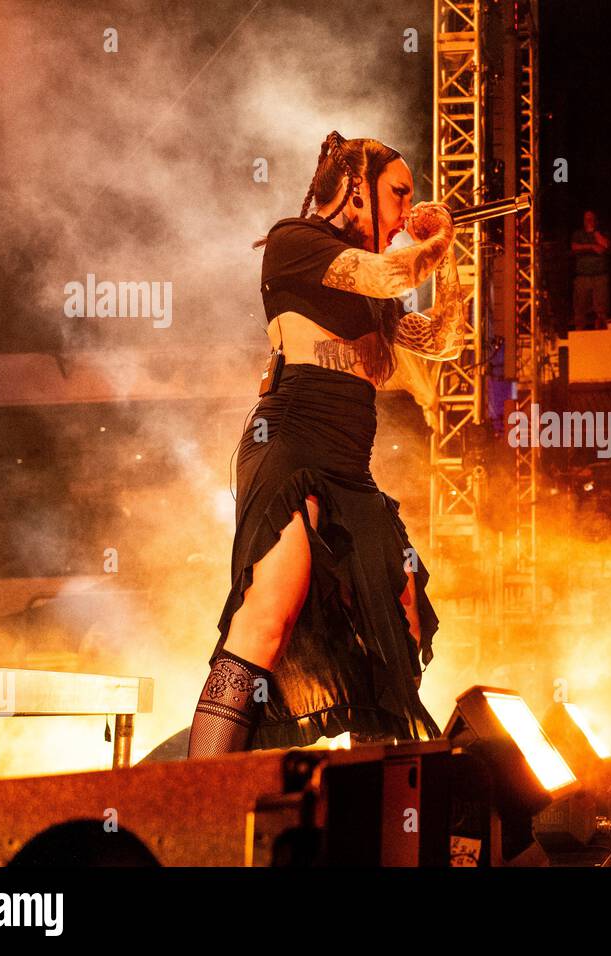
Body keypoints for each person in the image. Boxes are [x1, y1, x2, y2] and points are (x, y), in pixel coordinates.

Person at [186, 133, 462, 756]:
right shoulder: (295, 243)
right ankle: (197, 801)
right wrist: (430, 241)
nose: (404, 212)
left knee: (401, 615)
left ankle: (379, 805)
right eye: (398, 194)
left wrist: (445, 260)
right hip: (292, 443)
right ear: (355, 189)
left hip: (349, 466)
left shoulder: (373, 296)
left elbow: (444, 340)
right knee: (268, 618)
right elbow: (394, 272)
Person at [571, 210, 610, 330]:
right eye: (586, 219)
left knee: (601, 310)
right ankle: (579, 335)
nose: (589, 221)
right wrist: (592, 246)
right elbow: (574, 247)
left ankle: (600, 334)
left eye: (591, 218)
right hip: (582, 276)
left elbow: (605, 246)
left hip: (599, 276)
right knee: (580, 309)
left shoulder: (602, 233)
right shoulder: (578, 234)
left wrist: (596, 234)